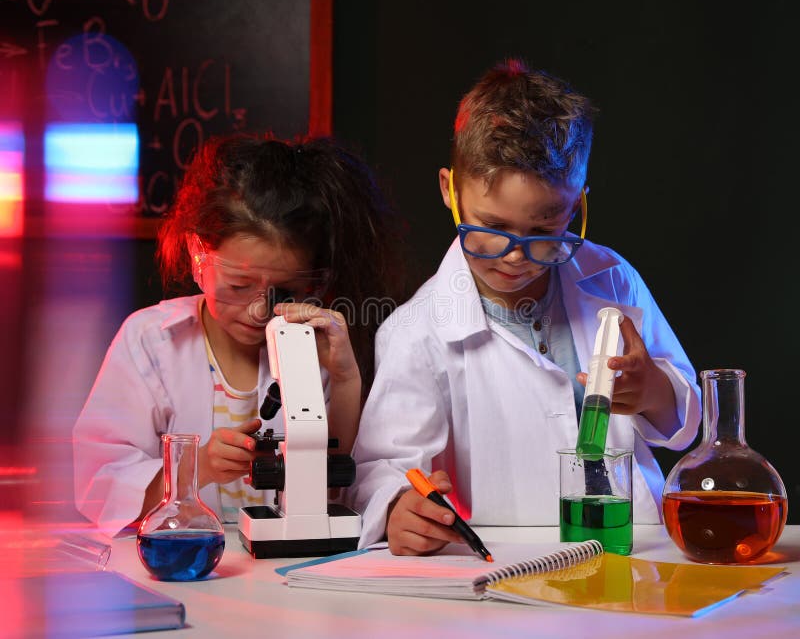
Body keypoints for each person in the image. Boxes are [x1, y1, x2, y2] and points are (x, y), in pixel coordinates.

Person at [347, 59, 701, 554]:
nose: (515, 255)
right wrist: (398, 505)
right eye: (491, 228)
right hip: (511, 560)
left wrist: (654, 390)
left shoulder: (612, 279)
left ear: (576, 205)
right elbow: (382, 467)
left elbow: (683, 420)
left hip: (637, 545)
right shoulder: (416, 332)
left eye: (542, 231)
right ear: (450, 191)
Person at [73, 133, 405, 536]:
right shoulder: (151, 342)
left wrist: (346, 379)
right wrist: (197, 470)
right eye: (238, 284)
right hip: (187, 565)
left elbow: (335, 485)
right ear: (198, 254)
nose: (259, 311)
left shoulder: (310, 345)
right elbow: (100, 486)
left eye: (284, 291)